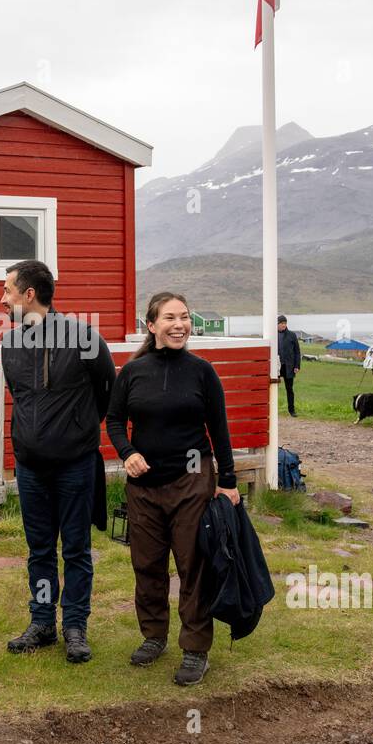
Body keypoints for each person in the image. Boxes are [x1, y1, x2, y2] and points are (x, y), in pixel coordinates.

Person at [105, 292, 240, 687]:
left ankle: (195, 648)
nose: (180, 324)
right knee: (146, 565)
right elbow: (114, 420)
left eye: (184, 317)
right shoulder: (133, 372)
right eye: (170, 318)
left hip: (192, 482)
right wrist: (127, 452)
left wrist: (228, 482)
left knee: (192, 566)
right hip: (143, 486)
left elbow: (219, 429)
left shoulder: (202, 372)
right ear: (152, 325)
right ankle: (153, 636)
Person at [0, 260, 114, 663]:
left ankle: (75, 627)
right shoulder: (9, 345)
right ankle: (43, 622)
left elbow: (107, 393)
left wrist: (78, 429)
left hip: (75, 465)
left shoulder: (84, 338)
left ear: (28, 295)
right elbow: (22, 398)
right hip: (30, 467)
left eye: (7, 290)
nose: (2, 299)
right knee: (40, 549)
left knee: (77, 549)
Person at [278, 314, 301, 417]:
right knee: (273, 388)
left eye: (285, 323)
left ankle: (291, 410)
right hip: (276, 367)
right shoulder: (273, 335)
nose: (283, 325)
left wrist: (297, 366)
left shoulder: (292, 335)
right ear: (277, 324)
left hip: (289, 367)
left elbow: (297, 352)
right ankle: (272, 410)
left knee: (289, 389)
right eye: (281, 323)